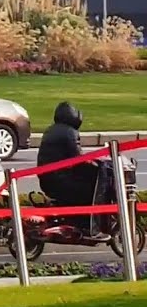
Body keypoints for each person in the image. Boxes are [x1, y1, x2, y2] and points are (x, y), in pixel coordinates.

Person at [36, 101, 109, 241]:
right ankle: (84, 226)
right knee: (88, 192)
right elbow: (78, 158)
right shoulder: (70, 132)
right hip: (60, 179)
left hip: (48, 179)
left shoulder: (51, 129)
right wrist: (95, 165)